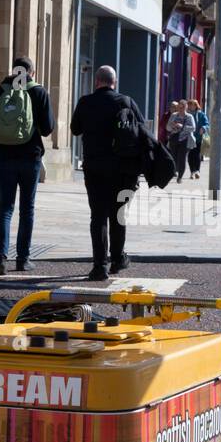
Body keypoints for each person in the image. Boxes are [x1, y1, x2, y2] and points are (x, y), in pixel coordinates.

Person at [70, 65, 143, 280]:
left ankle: (99, 266)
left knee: (98, 216)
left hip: (94, 169)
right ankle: (118, 259)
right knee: (118, 215)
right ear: (115, 82)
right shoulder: (126, 101)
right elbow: (140, 129)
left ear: (96, 81)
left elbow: (75, 129)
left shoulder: (85, 102)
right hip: (122, 169)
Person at [0, 56, 54, 276]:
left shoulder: (1, 89)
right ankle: (23, 259)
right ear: (32, 72)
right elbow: (47, 129)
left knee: (4, 208)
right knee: (26, 208)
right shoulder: (38, 92)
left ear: (14, 70)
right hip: (30, 157)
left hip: (4, 156)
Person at [166, 98, 195, 182]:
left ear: (186, 108)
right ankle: (174, 172)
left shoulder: (189, 117)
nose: (180, 109)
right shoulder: (174, 115)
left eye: (182, 107)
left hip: (185, 140)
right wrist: (172, 126)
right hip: (174, 139)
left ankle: (180, 177)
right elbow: (167, 127)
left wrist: (182, 126)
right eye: (179, 107)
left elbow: (193, 128)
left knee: (182, 158)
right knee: (173, 157)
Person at [187, 97, 209, 179]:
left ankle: (197, 171)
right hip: (189, 138)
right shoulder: (187, 114)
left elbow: (207, 124)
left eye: (192, 105)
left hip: (198, 138)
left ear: (196, 106)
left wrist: (203, 128)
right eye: (189, 105)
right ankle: (192, 171)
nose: (191, 106)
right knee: (190, 156)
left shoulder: (201, 114)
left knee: (197, 155)